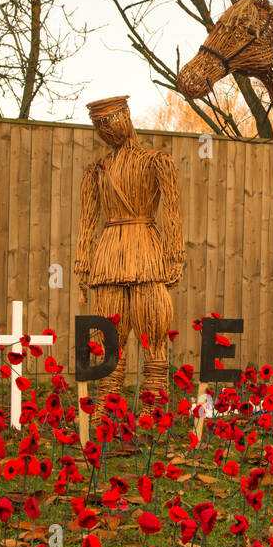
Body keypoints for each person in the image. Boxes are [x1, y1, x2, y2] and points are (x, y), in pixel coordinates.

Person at [73, 95, 184, 407]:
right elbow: (87, 220)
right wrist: (82, 266)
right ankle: (105, 416)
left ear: (127, 116)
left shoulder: (156, 161)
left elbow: (172, 213)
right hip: (109, 259)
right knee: (110, 342)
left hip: (147, 257)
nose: (105, 130)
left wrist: (175, 254)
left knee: (155, 337)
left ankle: (153, 414)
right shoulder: (95, 170)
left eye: (110, 120)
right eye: (98, 125)